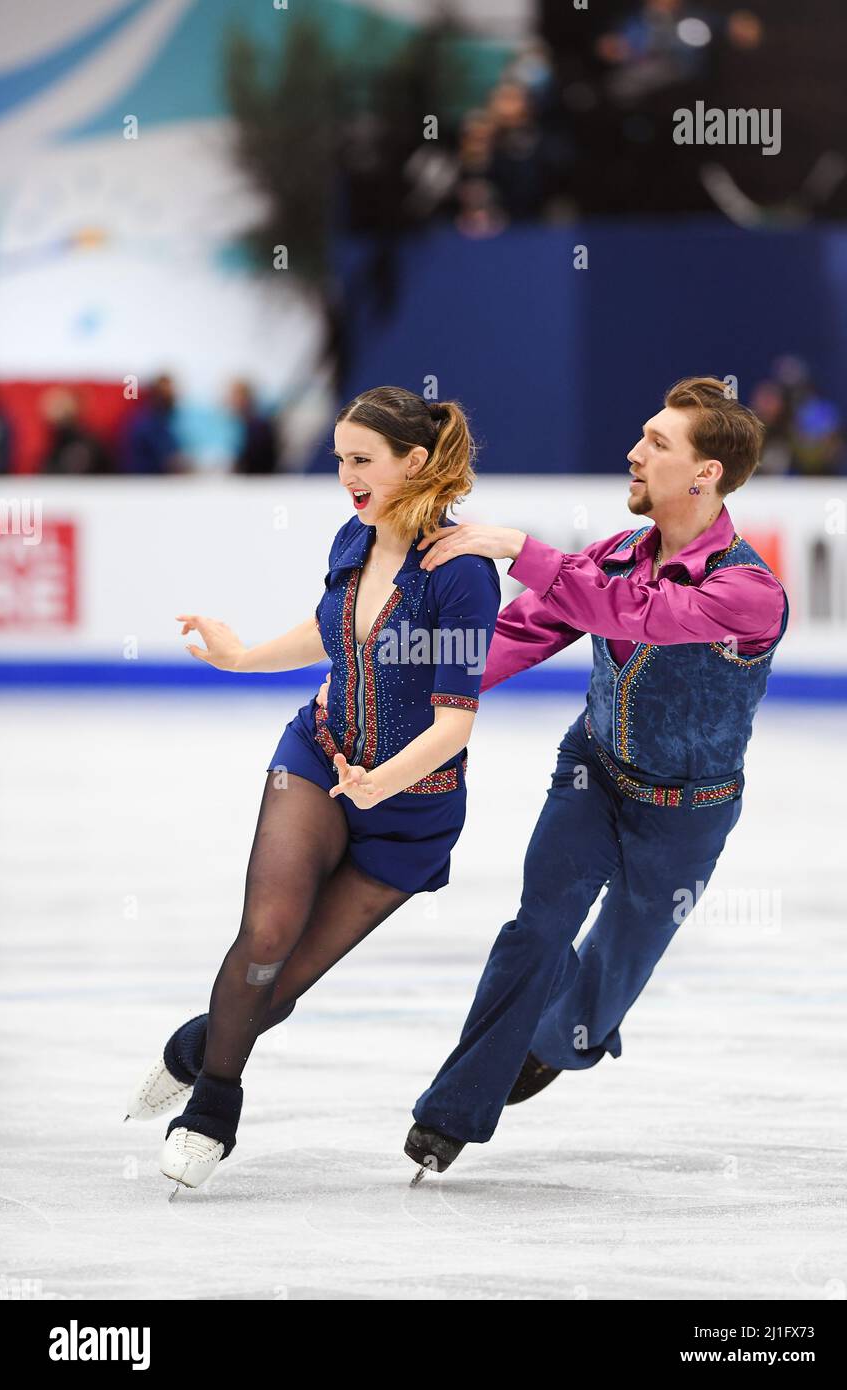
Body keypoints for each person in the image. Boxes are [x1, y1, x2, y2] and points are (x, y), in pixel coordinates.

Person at [394, 376, 789, 1179]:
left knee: (598, 995)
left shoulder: (748, 590)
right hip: (593, 776)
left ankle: (555, 1041)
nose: (634, 453)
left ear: (705, 473)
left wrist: (519, 548)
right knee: (537, 927)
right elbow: (518, 635)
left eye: (657, 443)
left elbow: (634, 616)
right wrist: (406, 695)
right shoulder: (614, 555)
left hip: (688, 815)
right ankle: (451, 1114)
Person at [124, 386, 501, 1193]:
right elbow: (330, 631)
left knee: (281, 987)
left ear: (416, 461)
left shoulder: (463, 573)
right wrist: (240, 656)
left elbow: (455, 720)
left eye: (361, 460)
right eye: (339, 460)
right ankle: (212, 1110)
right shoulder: (352, 537)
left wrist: (381, 783)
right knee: (265, 936)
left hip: (411, 810)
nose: (346, 477)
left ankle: (193, 1052)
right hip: (319, 754)